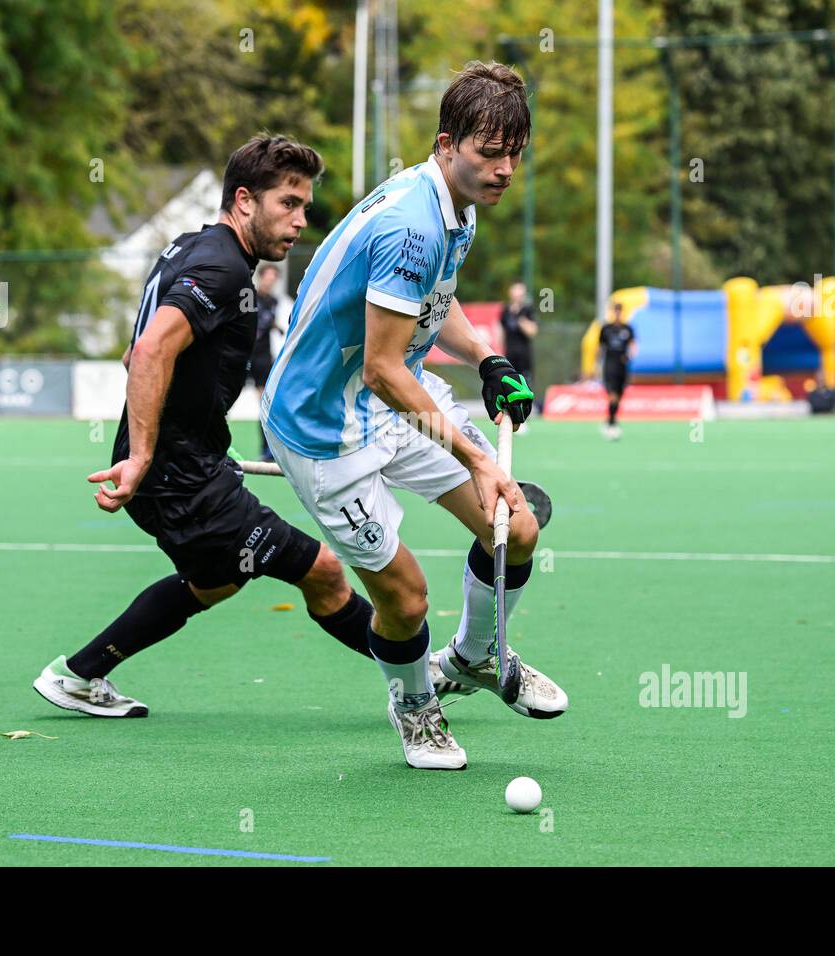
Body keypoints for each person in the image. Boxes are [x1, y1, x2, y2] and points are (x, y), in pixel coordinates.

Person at [33, 136, 466, 718]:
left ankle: (78, 674)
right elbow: (149, 352)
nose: (300, 220)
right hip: (182, 480)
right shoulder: (222, 269)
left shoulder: (189, 250)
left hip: (189, 467)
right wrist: (142, 457)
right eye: (288, 203)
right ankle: (426, 673)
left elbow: (141, 352)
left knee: (215, 580)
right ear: (243, 200)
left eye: (305, 207)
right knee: (325, 571)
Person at [261, 62, 568, 771]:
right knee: (404, 597)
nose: (503, 170)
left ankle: (475, 658)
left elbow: (433, 305)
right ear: (446, 143)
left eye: (514, 154)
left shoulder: (449, 205)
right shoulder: (412, 226)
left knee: (515, 527)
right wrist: (475, 454)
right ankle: (414, 709)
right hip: (323, 427)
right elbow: (384, 367)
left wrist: (487, 358)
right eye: (489, 154)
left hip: (384, 401)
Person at [250, 263, 280, 461]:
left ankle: (267, 449)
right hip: (244, 356)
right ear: (260, 277)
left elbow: (270, 321)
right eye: (267, 276)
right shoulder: (250, 296)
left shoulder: (273, 301)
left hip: (262, 358)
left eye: (273, 277)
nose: (270, 280)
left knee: (266, 403)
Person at [500, 280, 537, 429]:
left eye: (521, 291)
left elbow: (532, 331)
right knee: (509, 382)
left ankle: (524, 417)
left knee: (525, 383)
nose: (518, 294)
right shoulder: (505, 311)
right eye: (516, 290)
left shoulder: (527, 311)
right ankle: (510, 415)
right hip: (509, 352)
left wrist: (521, 320)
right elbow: (501, 331)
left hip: (524, 353)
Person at [599, 299, 637, 439]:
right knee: (612, 394)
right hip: (610, 365)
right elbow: (600, 348)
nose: (617, 313)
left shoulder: (628, 329)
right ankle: (612, 423)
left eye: (620, 310)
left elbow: (633, 345)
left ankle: (610, 419)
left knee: (619, 395)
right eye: (615, 310)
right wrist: (596, 366)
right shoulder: (606, 329)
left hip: (622, 366)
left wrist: (630, 355)